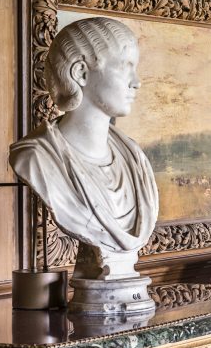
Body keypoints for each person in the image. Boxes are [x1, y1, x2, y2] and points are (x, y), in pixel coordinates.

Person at [9, 17, 158, 281]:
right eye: (126, 67)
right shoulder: (37, 158)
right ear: (81, 73)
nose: (137, 82)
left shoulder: (135, 159)